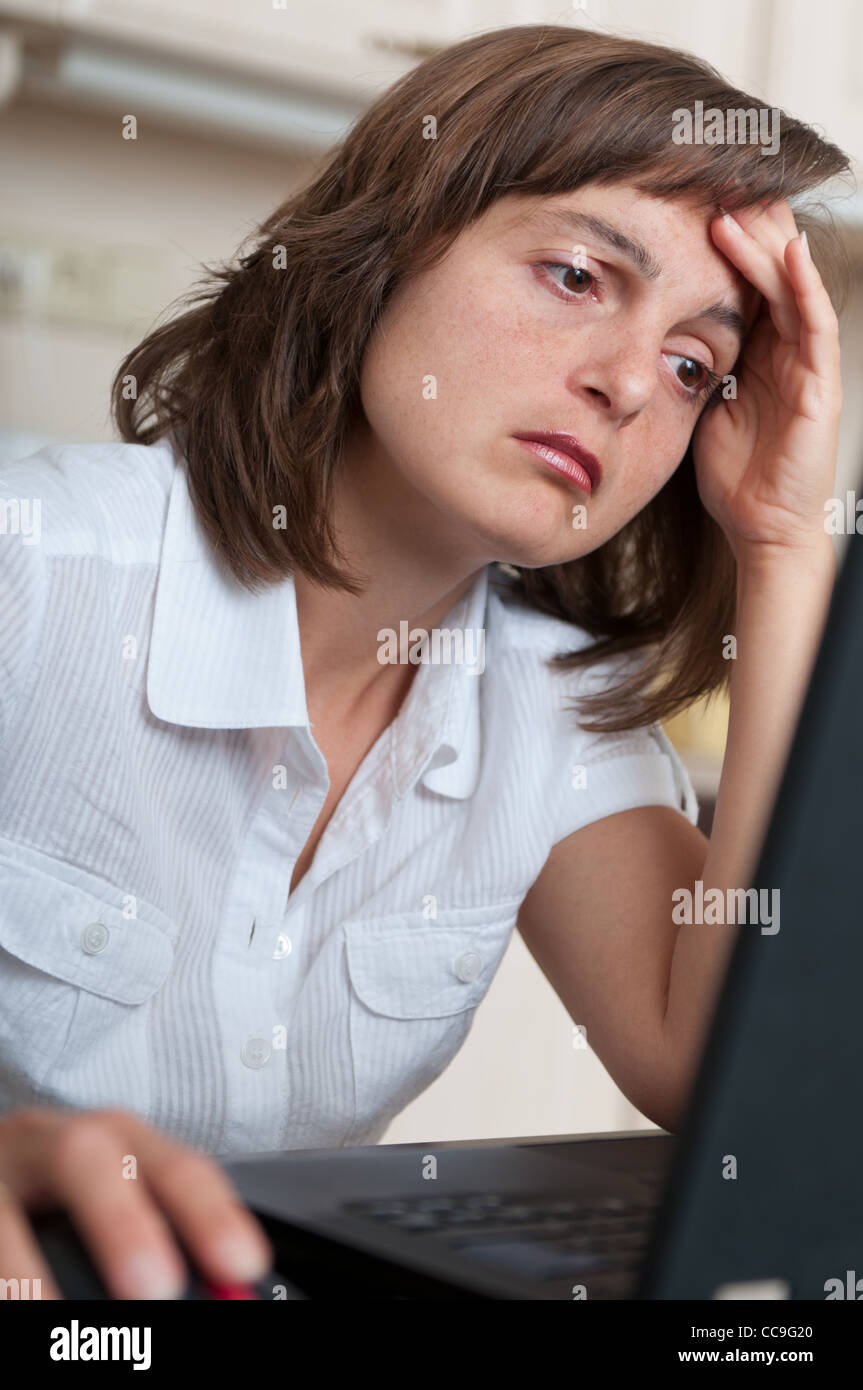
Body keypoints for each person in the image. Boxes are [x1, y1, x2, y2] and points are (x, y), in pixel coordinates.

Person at [0, 24, 850, 1299]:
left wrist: (781, 542)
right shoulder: (33, 570)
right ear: (386, 242)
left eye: (694, 366)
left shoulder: (553, 717)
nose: (629, 383)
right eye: (575, 275)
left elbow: (718, 1067)